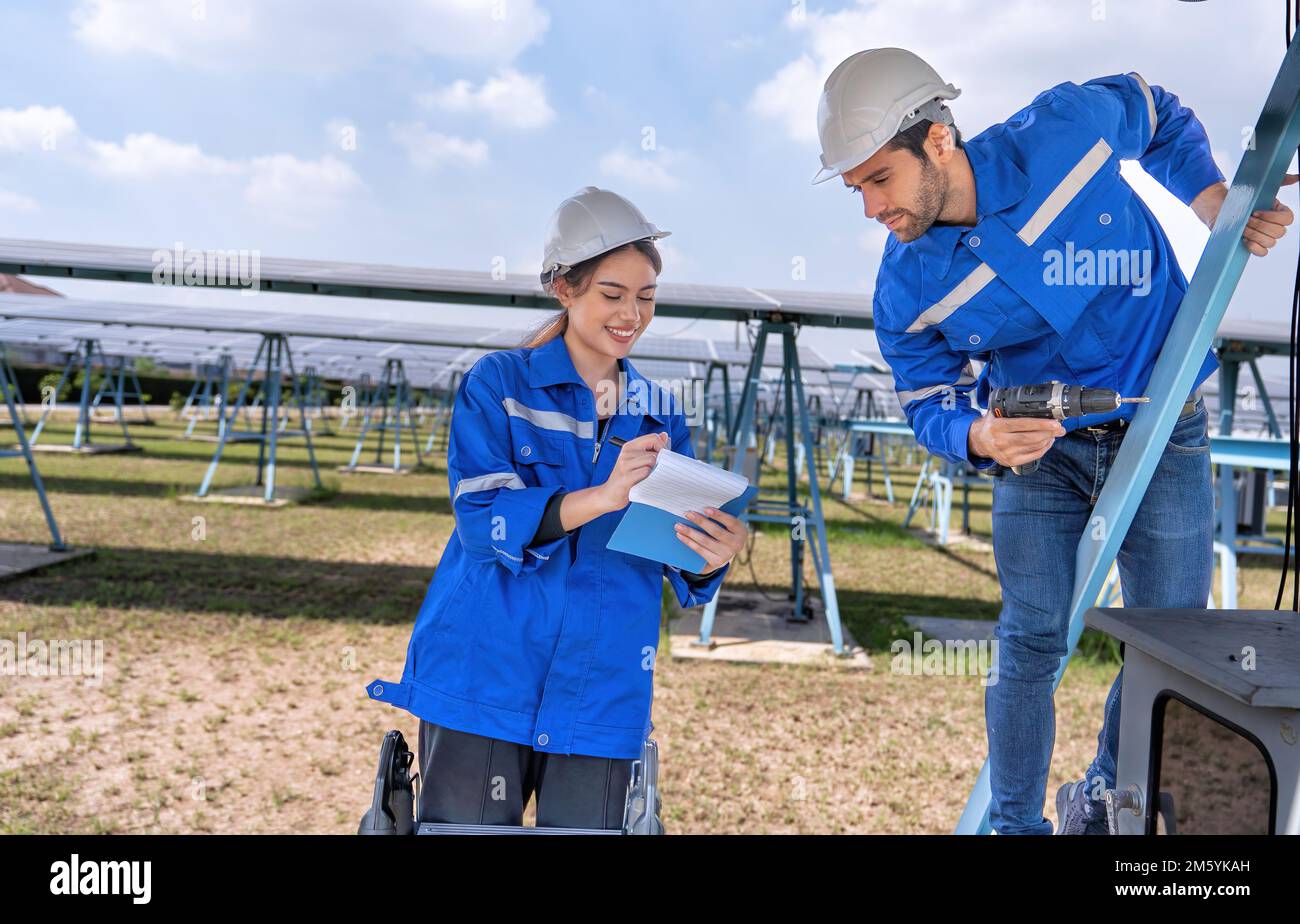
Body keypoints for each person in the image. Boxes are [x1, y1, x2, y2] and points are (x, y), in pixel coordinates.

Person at [812, 48, 1295, 834]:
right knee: (1029, 643)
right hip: (1039, 457)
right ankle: (1015, 826)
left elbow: (1155, 107)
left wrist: (1212, 196)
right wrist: (978, 433)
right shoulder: (905, 284)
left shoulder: (1065, 129)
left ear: (936, 141)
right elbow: (924, 391)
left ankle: (1102, 796)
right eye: (856, 188)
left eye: (877, 180)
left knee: (1170, 637)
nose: (871, 209)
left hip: (1162, 423)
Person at [367, 186, 748, 829]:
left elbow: (672, 554)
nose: (632, 313)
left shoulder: (659, 412)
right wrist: (600, 498)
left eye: (646, 297)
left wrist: (710, 556)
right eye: (612, 294)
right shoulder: (499, 385)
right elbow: (483, 522)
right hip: (484, 676)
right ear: (563, 289)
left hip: (601, 688)